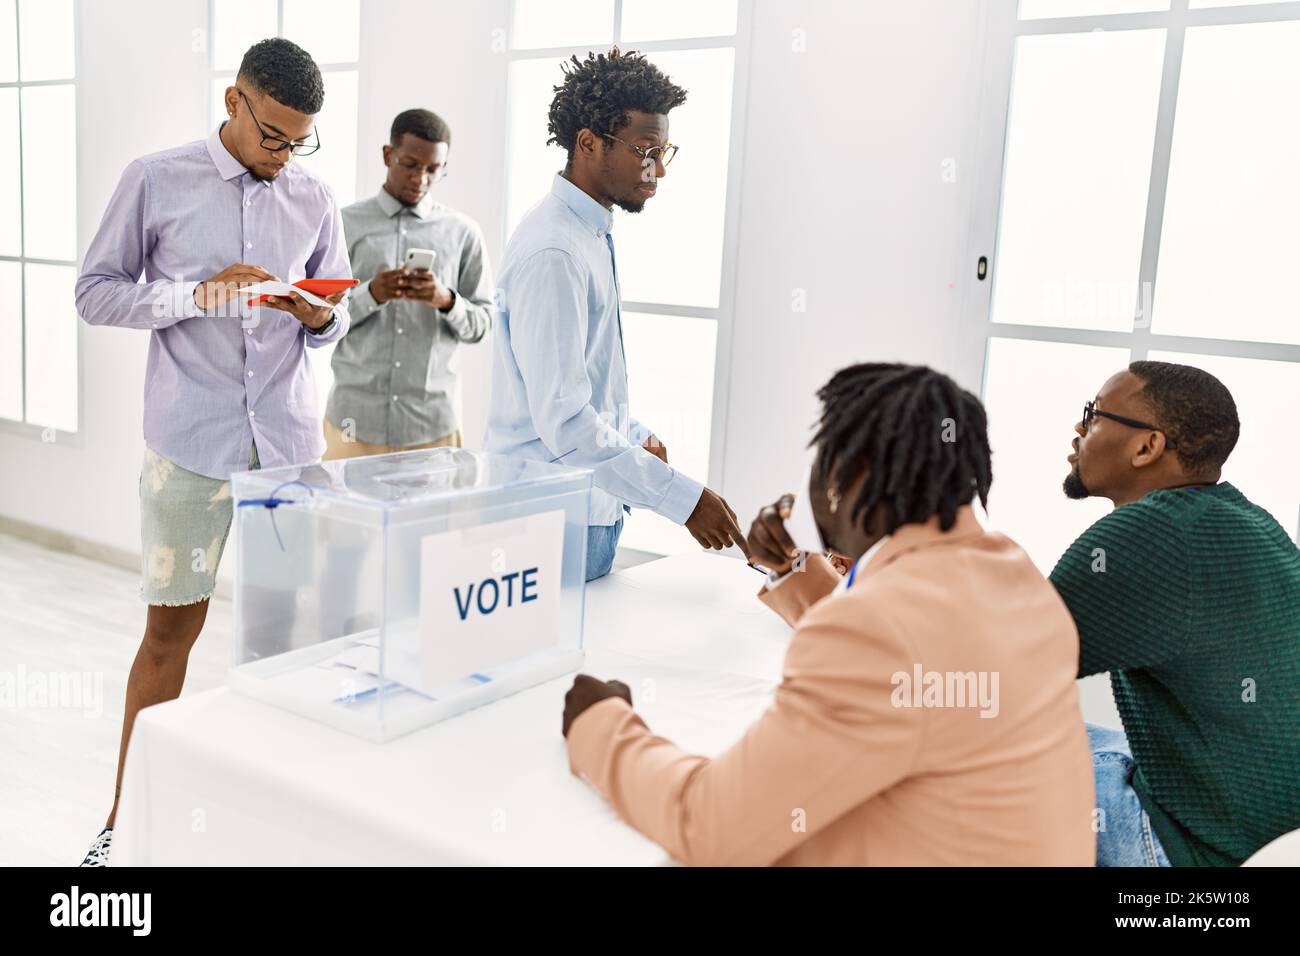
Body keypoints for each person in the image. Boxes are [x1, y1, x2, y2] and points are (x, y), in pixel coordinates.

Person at [561, 363, 1095, 865]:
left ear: (851, 474)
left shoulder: (879, 633)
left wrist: (601, 723)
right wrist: (792, 568)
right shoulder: (1015, 575)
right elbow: (909, 643)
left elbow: (710, 825)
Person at [72, 38, 352, 866]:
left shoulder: (315, 196)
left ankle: (267, 824)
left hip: (288, 452)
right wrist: (195, 295)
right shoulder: (155, 178)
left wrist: (318, 315)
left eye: (300, 141)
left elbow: (335, 313)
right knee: (170, 638)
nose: (285, 155)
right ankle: (123, 826)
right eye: (273, 136)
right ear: (234, 101)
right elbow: (95, 293)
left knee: (288, 646)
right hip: (189, 450)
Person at [484, 48, 746, 581]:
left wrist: (632, 433)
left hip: (585, 510)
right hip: (547, 520)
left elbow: (583, 387)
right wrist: (684, 501)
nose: (659, 169)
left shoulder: (588, 233)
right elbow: (565, 422)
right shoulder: (554, 250)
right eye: (645, 151)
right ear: (588, 143)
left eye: (664, 151)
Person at [1050, 361, 1300, 867]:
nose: (1079, 427)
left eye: (1094, 414)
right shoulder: (1251, 521)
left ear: (1147, 447)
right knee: (1073, 734)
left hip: (1193, 852)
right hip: (1274, 842)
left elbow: (997, 670)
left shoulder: (1146, 535)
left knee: (972, 746)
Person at [324, 108, 494, 459]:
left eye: (433, 170)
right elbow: (319, 318)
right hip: (353, 422)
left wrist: (447, 300)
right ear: (388, 155)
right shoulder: (343, 225)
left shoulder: (463, 233)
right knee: (339, 500)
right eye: (410, 165)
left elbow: (483, 325)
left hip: (432, 427)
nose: (420, 179)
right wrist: (372, 294)